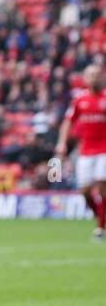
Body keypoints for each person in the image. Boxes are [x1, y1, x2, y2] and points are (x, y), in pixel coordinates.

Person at [55, 63, 106, 241]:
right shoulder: (79, 100)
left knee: (101, 186)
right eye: (90, 75)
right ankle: (100, 217)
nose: (94, 78)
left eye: (97, 75)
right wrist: (62, 142)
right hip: (85, 150)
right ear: (85, 79)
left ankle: (100, 229)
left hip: (104, 149)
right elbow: (68, 121)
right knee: (84, 191)